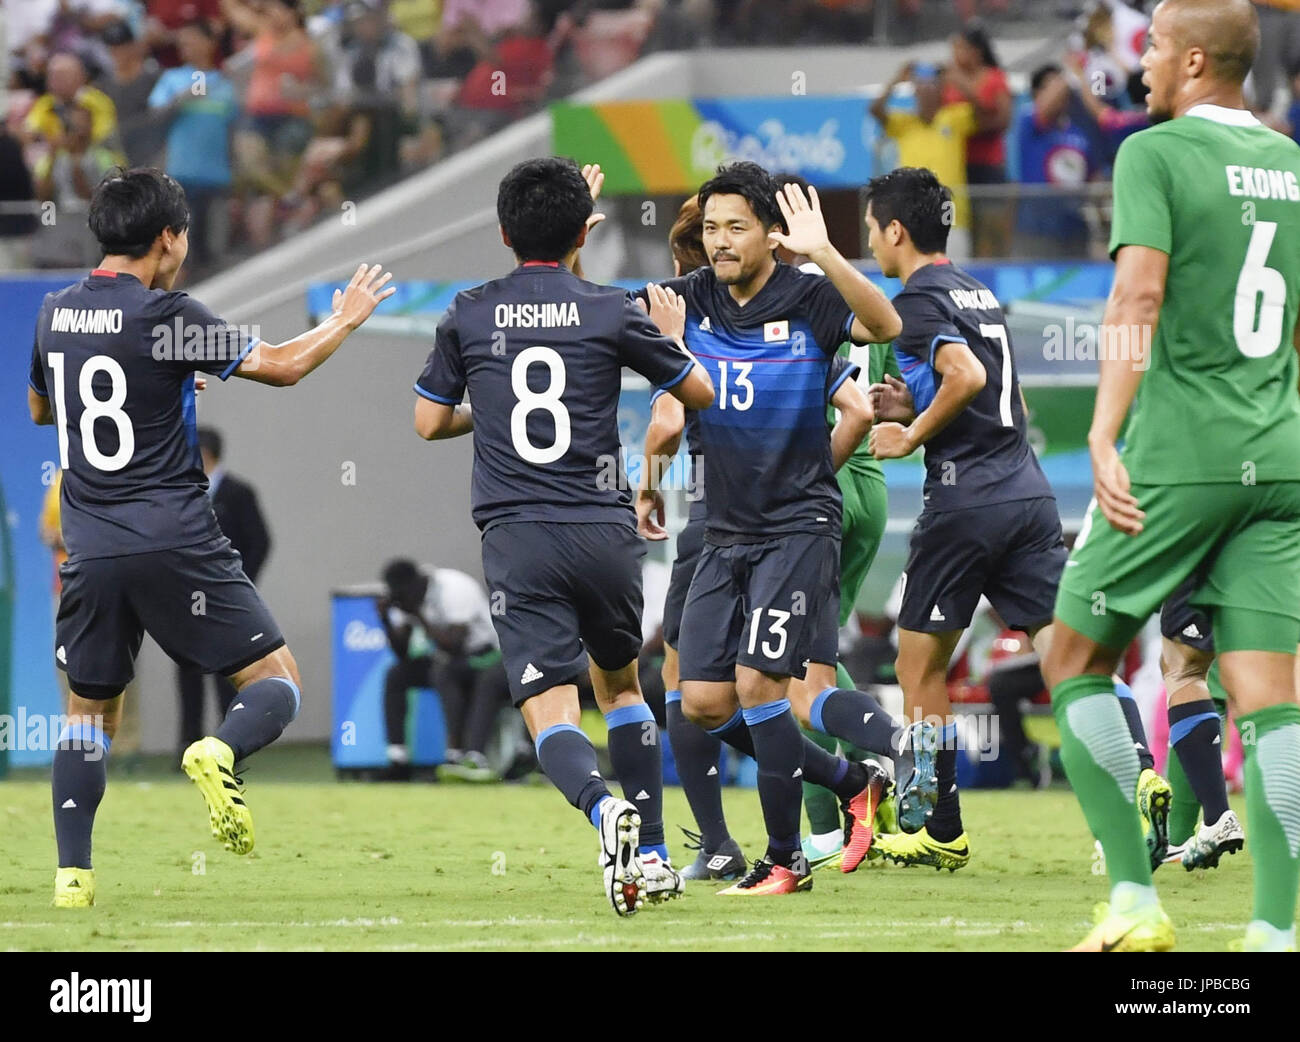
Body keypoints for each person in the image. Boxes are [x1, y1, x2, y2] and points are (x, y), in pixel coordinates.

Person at [28, 166, 394, 908]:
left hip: (90, 548)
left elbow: (46, 412)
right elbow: (285, 366)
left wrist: (160, 384)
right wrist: (347, 317)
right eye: (185, 235)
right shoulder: (168, 315)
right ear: (167, 238)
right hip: (176, 540)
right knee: (278, 682)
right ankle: (219, 748)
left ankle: (72, 877)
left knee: (87, 714)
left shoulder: (53, 313)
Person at [1041, 0, 1300, 953]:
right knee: (1275, 700)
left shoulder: (1153, 152)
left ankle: (1136, 902)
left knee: (1072, 659)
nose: (1138, 61)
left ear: (1194, 60)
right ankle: (1274, 932)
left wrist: (1104, 432)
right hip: (1280, 455)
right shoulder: (1294, 166)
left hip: (1182, 457)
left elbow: (1137, 291)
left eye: (1148, 45)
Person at [411, 157, 714, 917]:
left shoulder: (470, 311)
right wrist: (669, 344)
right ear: (585, 232)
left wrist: (492, 397)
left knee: (548, 703)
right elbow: (696, 392)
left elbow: (427, 421)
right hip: (603, 527)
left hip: (520, 535)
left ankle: (602, 809)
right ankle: (650, 855)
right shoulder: (613, 310)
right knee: (620, 687)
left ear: (504, 232)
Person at [638, 161, 903, 896]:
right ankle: (856, 780)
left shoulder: (812, 298)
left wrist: (824, 252)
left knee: (764, 685)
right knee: (701, 701)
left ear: (770, 234)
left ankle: (783, 860)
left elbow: (886, 323)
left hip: (797, 527)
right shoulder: (687, 300)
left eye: (736, 228)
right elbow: (600, 324)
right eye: (712, 229)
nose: (720, 242)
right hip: (722, 531)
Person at [865, 165, 1066, 872]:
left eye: (871, 229)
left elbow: (967, 378)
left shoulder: (914, 299)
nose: (870, 242)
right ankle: (1139, 777)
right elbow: (982, 387)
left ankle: (937, 824)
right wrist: (911, 407)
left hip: (965, 501)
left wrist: (911, 434)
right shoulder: (977, 289)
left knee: (918, 663)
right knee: (1071, 657)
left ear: (895, 231)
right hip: (1027, 493)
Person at [637, 195, 747, 882]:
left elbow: (668, 423)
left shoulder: (684, 319)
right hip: (793, 511)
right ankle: (861, 767)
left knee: (685, 686)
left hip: (717, 520)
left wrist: (645, 486)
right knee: (778, 681)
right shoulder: (780, 308)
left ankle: (851, 769)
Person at [174, 426, 272, 757]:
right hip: (187, 599)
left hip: (225, 600)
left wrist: (241, 585)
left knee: (228, 672)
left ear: (205, 454)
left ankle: (229, 744)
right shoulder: (179, 491)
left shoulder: (238, 493)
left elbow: (260, 541)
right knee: (188, 672)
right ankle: (188, 745)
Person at [376, 558, 510, 782]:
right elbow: (403, 654)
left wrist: (418, 615)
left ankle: (461, 754)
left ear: (416, 585)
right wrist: (385, 621)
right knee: (397, 674)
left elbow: (456, 644)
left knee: (447, 672)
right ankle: (398, 759)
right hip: (449, 660)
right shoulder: (406, 598)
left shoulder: (454, 588)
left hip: (487, 656)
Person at [148, 19, 239, 269]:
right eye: (182, 42)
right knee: (183, 247)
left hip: (218, 175)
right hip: (182, 174)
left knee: (218, 248)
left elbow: (233, 127)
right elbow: (154, 114)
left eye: (191, 40)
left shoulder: (225, 82)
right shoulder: (173, 78)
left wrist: (236, 169)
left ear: (210, 42)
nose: (184, 46)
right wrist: (180, 99)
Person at [871, 62, 977, 260]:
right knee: (917, 280)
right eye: (921, 89)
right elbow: (875, 110)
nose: (926, 93)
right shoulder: (903, 124)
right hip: (913, 220)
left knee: (955, 280)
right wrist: (896, 80)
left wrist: (955, 78)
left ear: (940, 92)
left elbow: (981, 106)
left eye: (931, 88)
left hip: (952, 218)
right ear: (915, 94)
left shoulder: (953, 118)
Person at [1014, 64, 1099, 257]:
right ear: (1036, 93)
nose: (1059, 93)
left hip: (1074, 227)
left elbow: (1093, 174)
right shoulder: (1029, 121)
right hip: (1037, 228)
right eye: (1050, 86)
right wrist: (1072, 71)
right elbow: (1045, 107)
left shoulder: (1080, 130)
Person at [944, 24, 1012, 256]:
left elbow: (1002, 119)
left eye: (960, 48)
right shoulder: (949, 81)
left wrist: (972, 125)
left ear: (976, 51)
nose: (955, 54)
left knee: (990, 230)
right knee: (961, 231)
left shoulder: (994, 78)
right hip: (957, 167)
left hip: (988, 165)